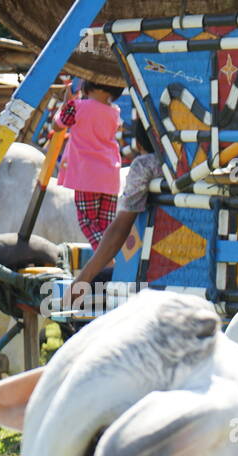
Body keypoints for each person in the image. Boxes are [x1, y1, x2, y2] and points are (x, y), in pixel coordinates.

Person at [70, 118, 163, 305]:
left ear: (139, 142)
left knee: (97, 285)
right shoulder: (199, 165)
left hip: (151, 272)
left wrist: (81, 281)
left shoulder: (145, 166)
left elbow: (120, 228)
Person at [55, 80, 124, 249]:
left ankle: (106, 259)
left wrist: (67, 101)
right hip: (110, 175)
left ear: (94, 87)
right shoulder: (115, 111)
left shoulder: (77, 106)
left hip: (86, 175)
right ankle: (109, 256)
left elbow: (58, 126)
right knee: (105, 225)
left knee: (87, 221)